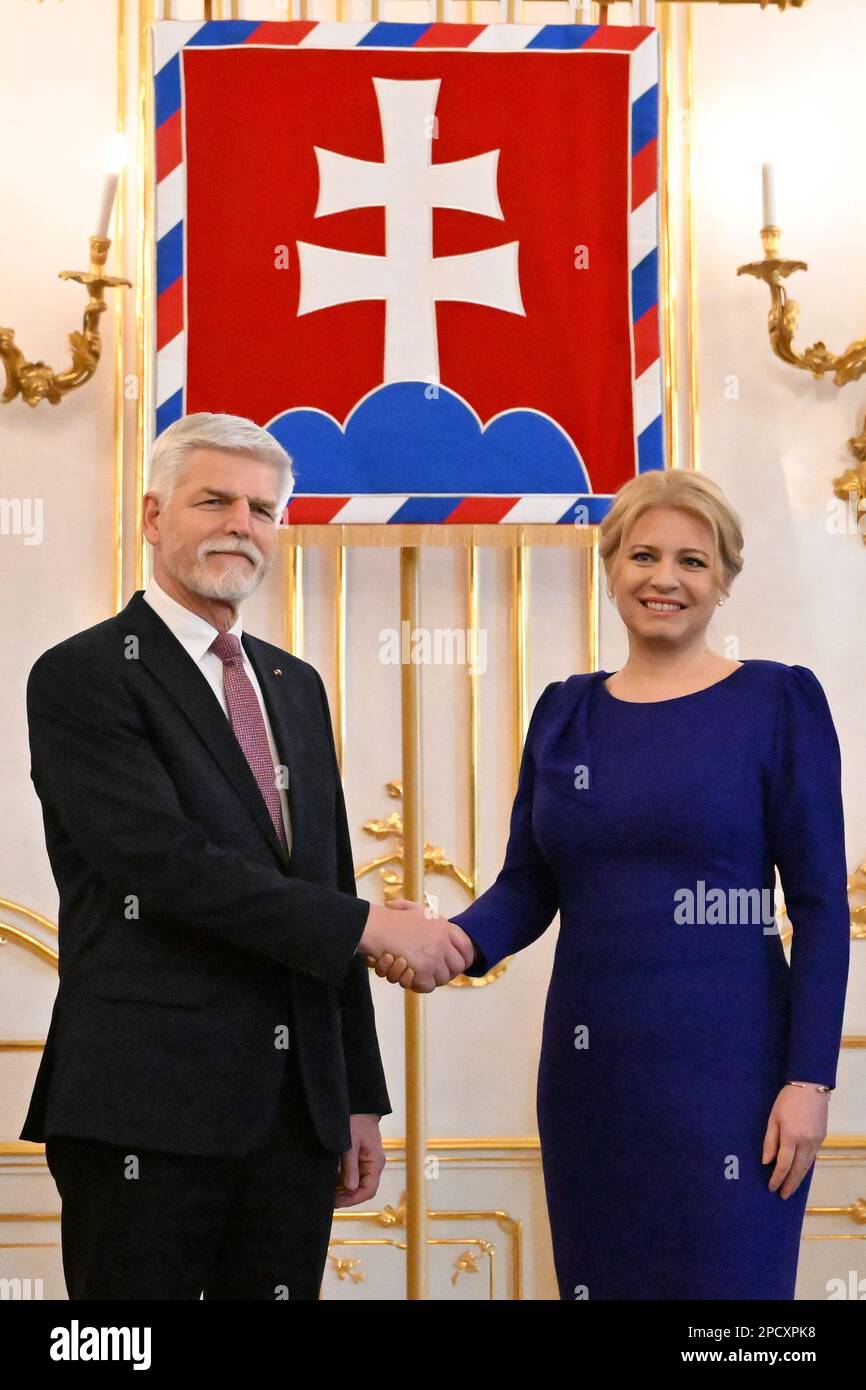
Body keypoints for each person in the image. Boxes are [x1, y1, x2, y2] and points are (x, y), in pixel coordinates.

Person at [22, 411, 473, 1300]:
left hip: (294, 1119)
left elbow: (325, 884)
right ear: (154, 518)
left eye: (263, 509)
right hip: (144, 1112)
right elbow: (168, 867)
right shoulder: (83, 675)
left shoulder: (293, 685)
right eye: (215, 500)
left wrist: (354, 1098)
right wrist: (373, 925)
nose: (241, 523)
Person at [374, 469, 850, 1300]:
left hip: (733, 1080)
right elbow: (527, 885)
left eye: (693, 561)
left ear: (725, 582)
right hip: (593, 1077)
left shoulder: (778, 701)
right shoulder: (564, 711)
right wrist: (452, 941)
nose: (664, 578)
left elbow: (817, 910)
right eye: (643, 555)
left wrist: (809, 1082)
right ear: (611, 568)